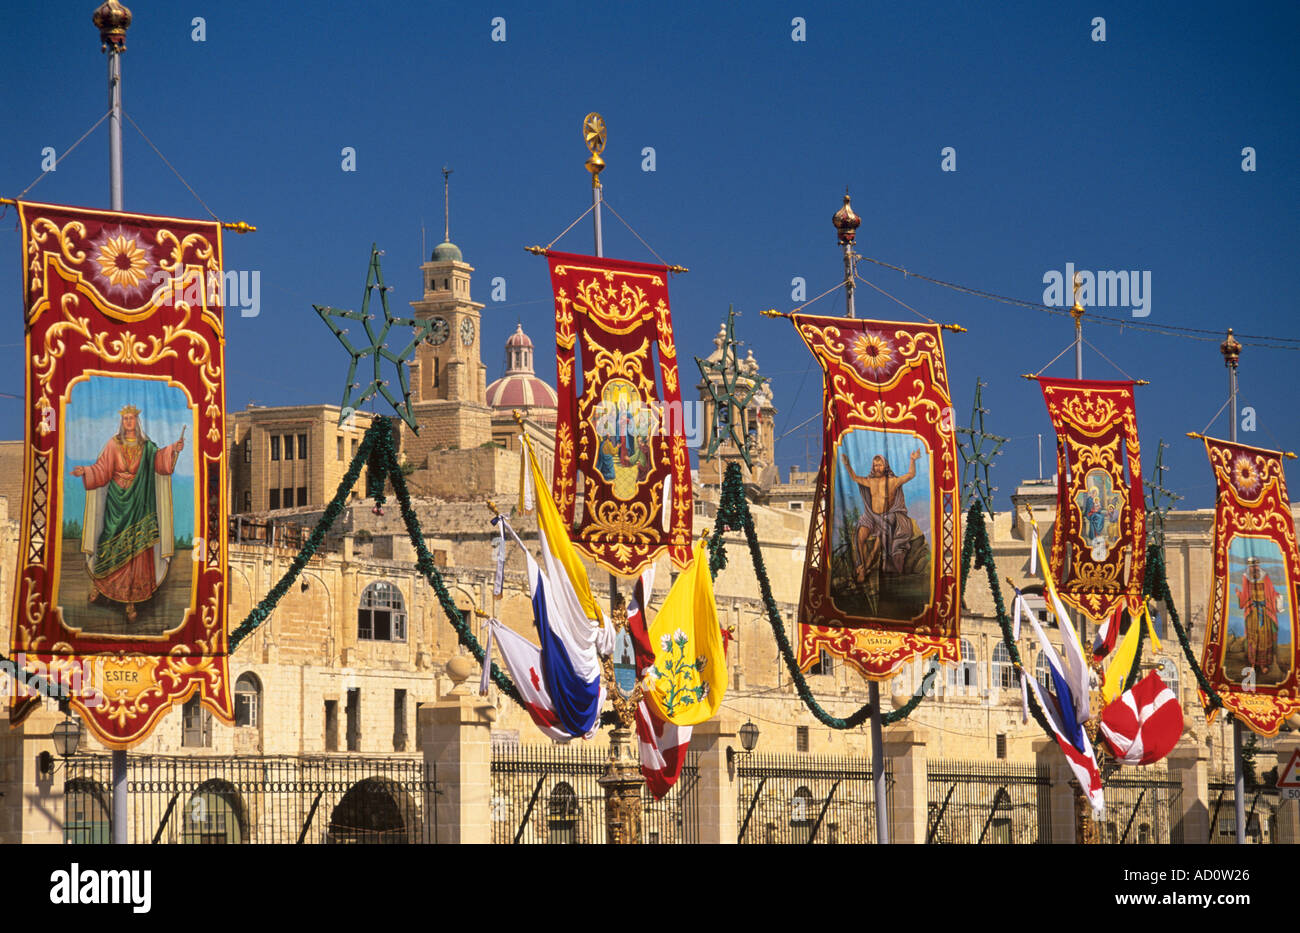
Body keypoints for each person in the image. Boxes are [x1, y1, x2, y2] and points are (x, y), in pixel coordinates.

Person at [71, 405, 184, 623]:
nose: (129, 422)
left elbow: (160, 461)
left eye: (132, 418)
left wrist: (174, 449)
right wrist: (86, 471)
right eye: (126, 419)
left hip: (139, 502)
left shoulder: (146, 446)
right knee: (110, 540)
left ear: (137, 422)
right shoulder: (113, 444)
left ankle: (132, 598)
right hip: (116, 502)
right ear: (122, 422)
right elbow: (102, 469)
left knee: (137, 549)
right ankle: (101, 586)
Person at [840, 447, 922, 580]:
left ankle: (864, 569)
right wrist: (847, 464)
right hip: (871, 516)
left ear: (885, 466)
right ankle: (861, 563)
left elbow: (911, 475)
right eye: (875, 465)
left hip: (886, 517)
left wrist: (912, 460)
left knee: (880, 540)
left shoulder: (893, 481)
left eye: (880, 465)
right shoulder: (870, 481)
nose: (877, 467)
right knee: (860, 536)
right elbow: (854, 477)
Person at [1239, 557, 1281, 677]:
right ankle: (1252, 664)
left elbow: (1271, 592)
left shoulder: (1265, 577)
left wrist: (1276, 597)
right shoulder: (1245, 577)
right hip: (1252, 612)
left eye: (1256, 566)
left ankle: (1264, 664)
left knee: (1265, 638)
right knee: (1253, 638)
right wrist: (1240, 596)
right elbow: (1245, 595)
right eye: (1252, 567)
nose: (1254, 569)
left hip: (1265, 611)